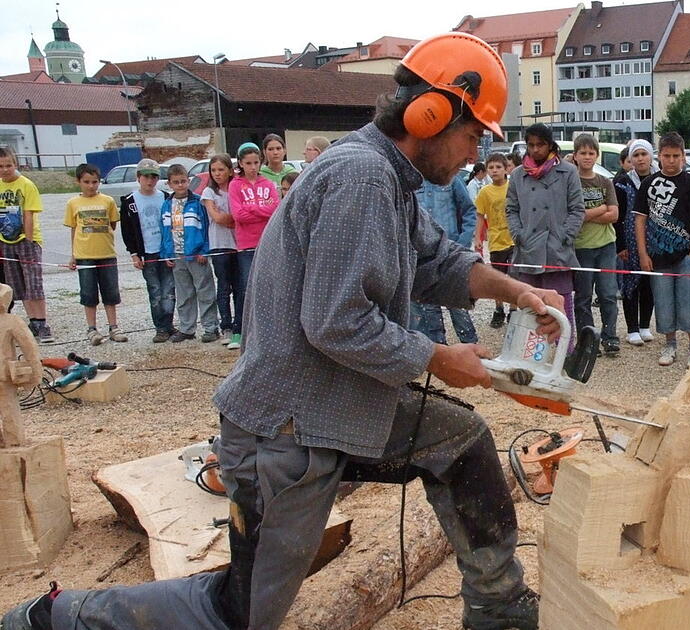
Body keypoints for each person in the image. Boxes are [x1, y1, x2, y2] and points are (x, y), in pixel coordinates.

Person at [2, 32, 552, 630]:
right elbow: (336, 321)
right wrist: (437, 357)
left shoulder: (389, 177)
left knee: (460, 440)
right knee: (242, 613)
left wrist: (518, 291)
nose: (474, 154)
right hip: (286, 425)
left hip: (337, 400)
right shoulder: (361, 176)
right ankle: (58, 616)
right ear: (432, 113)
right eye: (473, 136)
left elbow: (437, 262)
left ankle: (499, 610)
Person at [506, 123, 584, 346]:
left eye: (540, 145)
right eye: (530, 145)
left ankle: (566, 352)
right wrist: (518, 234)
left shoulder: (568, 171)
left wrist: (565, 236)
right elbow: (511, 208)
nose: (535, 150)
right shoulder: (518, 175)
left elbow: (577, 208)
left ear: (550, 145)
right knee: (531, 305)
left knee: (563, 303)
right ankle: (531, 354)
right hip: (528, 247)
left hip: (557, 248)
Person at [635, 132, 690, 367]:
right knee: (663, 301)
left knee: (689, 300)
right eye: (667, 156)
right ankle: (669, 344)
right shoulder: (648, 184)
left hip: (685, 255)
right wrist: (643, 253)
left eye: (676, 155)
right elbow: (640, 221)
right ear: (659, 156)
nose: (672, 160)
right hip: (657, 256)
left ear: (684, 156)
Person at [411, 171, 478, 345]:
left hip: (450, 255)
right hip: (422, 257)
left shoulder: (452, 180)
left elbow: (469, 211)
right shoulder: (411, 182)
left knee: (458, 308)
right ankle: (439, 351)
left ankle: (473, 349)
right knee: (428, 310)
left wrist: (463, 242)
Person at [64, 163, 127, 345]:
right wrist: (73, 254)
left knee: (111, 292)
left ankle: (113, 326)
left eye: (95, 182)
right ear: (79, 182)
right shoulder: (73, 203)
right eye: (87, 182)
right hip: (84, 255)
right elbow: (74, 229)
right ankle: (92, 329)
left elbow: (113, 224)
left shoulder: (107, 201)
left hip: (106, 253)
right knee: (89, 293)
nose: (91, 186)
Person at [571, 134, 621, 355]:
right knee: (583, 296)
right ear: (575, 155)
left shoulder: (604, 182)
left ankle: (610, 337)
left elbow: (614, 214)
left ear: (597, 155)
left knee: (608, 293)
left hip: (606, 246)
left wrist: (590, 213)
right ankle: (588, 339)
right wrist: (600, 209)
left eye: (591, 153)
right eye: (583, 153)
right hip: (581, 247)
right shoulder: (571, 183)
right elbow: (573, 215)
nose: (587, 157)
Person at [118, 157, 175, 343]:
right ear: (138, 177)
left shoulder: (166, 197)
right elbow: (127, 230)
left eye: (153, 177)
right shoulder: (129, 201)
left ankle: (169, 324)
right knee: (155, 291)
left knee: (169, 289)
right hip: (147, 251)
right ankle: (160, 327)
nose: (150, 181)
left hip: (164, 250)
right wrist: (134, 253)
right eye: (146, 177)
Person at [161, 164, 219, 343]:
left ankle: (211, 327)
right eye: (176, 182)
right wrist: (166, 253)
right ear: (169, 184)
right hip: (177, 256)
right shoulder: (166, 205)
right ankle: (187, 328)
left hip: (196, 255)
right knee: (184, 293)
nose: (180, 185)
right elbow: (164, 230)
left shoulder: (198, 202)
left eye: (183, 181)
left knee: (205, 291)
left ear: (188, 181)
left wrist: (204, 250)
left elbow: (208, 227)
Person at [0, 147, 52, 342]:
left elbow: (29, 213)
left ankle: (42, 322)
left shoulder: (26, 185)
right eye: (1, 166)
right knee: (18, 285)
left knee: (34, 284)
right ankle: (33, 321)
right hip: (6, 241)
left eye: (8, 165)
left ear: (15, 165)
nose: (5, 170)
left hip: (26, 240)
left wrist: (28, 240)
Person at [614, 141, 656, 346]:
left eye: (644, 154)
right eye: (636, 155)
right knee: (630, 285)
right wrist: (620, 245)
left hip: (654, 241)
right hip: (630, 241)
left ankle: (645, 325)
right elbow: (618, 217)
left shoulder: (659, 179)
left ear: (650, 156)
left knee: (649, 284)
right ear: (630, 159)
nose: (640, 158)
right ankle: (631, 328)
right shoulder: (622, 182)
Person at [228, 142, 280, 301]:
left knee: (270, 285)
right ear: (241, 164)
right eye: (248, 163)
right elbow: (238, 215)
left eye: (256, 162)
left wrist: (252, 209)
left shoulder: (267, 184)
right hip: (246, 244)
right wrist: (262, 210)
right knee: (249, 287)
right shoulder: (235, 185)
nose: (253, 167)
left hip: (267, 241)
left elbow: (276, 210)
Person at [201, 154, 243, 348]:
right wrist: (232, 218)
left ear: (229, 170)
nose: (217, 174)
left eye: (221, 169)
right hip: (219, 243)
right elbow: (217, 218)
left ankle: (239, 326)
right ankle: (225, 324)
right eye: (214, 170)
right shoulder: (209, 193)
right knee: (224, 286)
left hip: (238, 243)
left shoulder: (237, 188)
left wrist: (234, 217)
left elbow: (242, 214)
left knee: (240, 287)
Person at [473, 152, 514, 328]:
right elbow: (480, 216)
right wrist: (478, 238)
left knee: (514, 277)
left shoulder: (513, 188)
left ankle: (514, 310)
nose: (495, 171)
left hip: (514, 240)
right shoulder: (485, 192)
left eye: (498, 167)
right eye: (491, 167)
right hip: (496, 241)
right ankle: (499, 309)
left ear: (506, 169)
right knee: (498, 278)